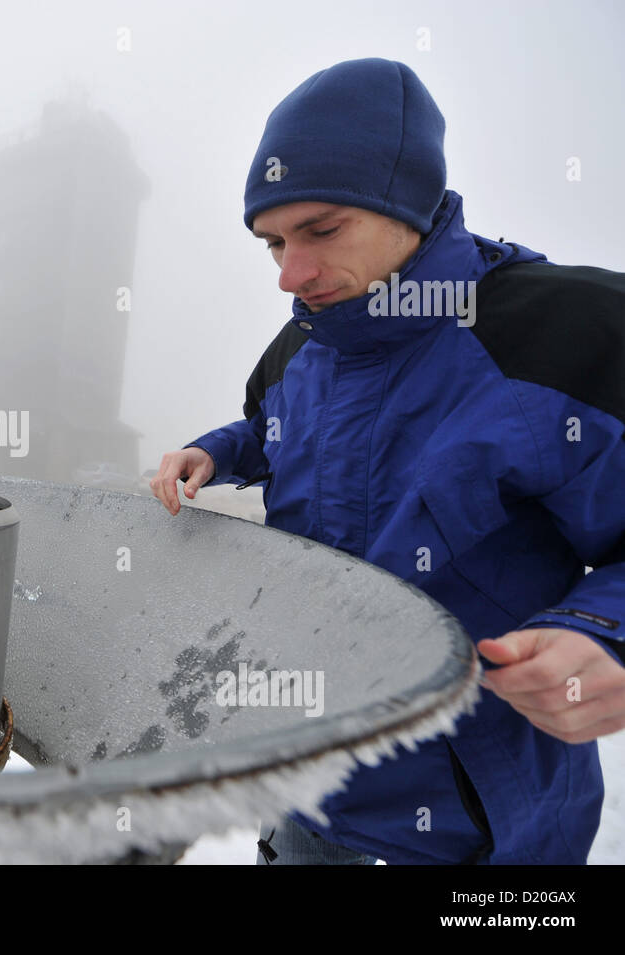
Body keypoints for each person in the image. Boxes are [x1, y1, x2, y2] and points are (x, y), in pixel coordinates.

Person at [151, 57, 625, 865]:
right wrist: (216, 449)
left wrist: (607, 635)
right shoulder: (298, 348)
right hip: (301, 796)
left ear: (406, 202)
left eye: (322, 230)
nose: (289, 276)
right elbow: (272, 430)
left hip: (480, 833)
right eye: (272, 243)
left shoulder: (568, 335)